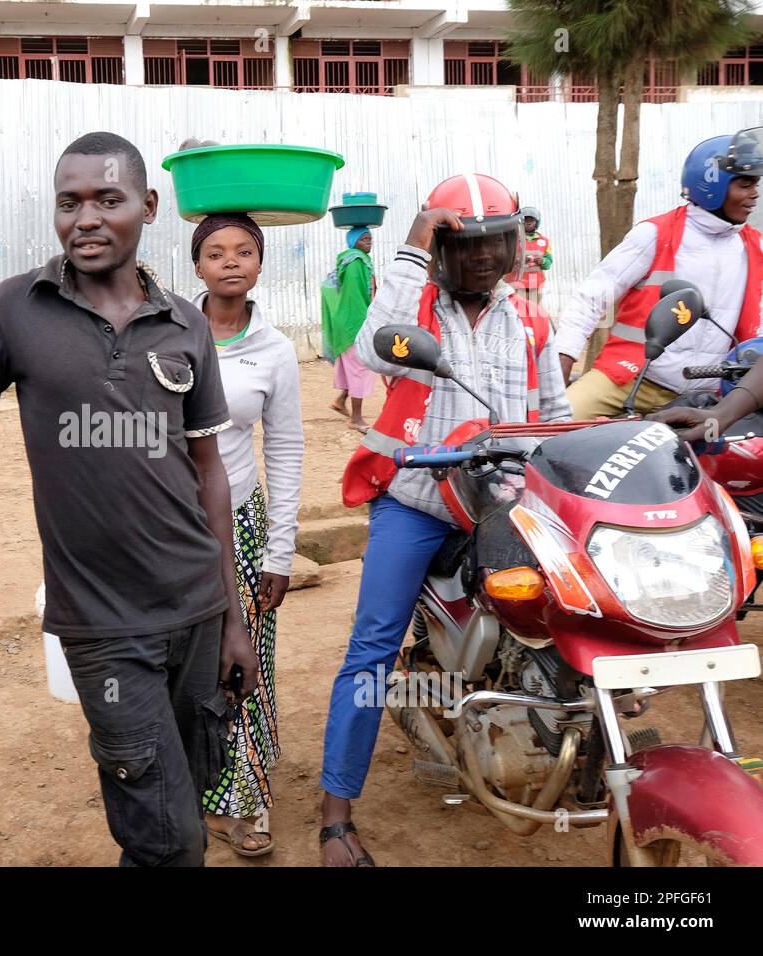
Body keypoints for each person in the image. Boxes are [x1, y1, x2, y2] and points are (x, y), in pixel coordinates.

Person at [0, 132, 259, 867]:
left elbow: (209, 471)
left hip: (198, 610)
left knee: (185, 803)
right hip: (102, 624)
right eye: (68, 203)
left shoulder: (185, 324)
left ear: (147, 206)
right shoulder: (16, 310)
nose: (86, 219)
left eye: (107, 200)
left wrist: (234, 615)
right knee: (166, 834)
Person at [320, 174, 571, 866]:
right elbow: (373, 350)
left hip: (504, 502)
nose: (484, 257)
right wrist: (410, 246)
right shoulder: (418, 309)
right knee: (371, 650)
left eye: (496, 242)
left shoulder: (532, 322)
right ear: (440, 250)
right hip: (418, 503)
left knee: (577, 606)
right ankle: (336, 814)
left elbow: (550, 419)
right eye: (465, 245)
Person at [189, 213, 304, 857]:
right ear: (197, 265)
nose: (230, 261)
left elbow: (285, 449)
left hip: (242, 525)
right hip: (169, 526)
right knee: (180, 658)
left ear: (260, 264)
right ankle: (190, 784)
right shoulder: (169, 333)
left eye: (244, 251)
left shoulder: (275, 349)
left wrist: (280, 550)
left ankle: (248, 800)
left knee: (243, 660)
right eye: (215, 251)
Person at [556, 129, 763, 418]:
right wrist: (562, 361)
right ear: (712, 183)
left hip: (711, 397)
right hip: (629, 380)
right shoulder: (656, 234)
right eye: (744, 183)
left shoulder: (754, 246)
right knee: (557, 425)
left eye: (756, 183)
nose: (755, 193)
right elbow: (591, 298)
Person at [323, 226, 377, 433]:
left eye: (370, 238)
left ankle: (340, 400)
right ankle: (356, 418)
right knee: (360, 367)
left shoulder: (356, 260)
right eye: (364, 239)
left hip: (346, 321)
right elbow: (355, 297)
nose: (369, 242)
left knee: (351, 366)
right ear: (353, 241)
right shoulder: (355, 262)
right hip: (354, 321)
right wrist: (367, 321)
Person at [506, 206, 552, 310]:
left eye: (531, 220)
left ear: (537, 223)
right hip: (517, 283)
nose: (528, 222)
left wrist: (543, 261)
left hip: (535, 284)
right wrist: (519, 261)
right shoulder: (514, 240)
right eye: (525, 220)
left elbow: (549, 261)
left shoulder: (544, 241)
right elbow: (506, 260)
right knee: (519, 311)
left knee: (534, 311)